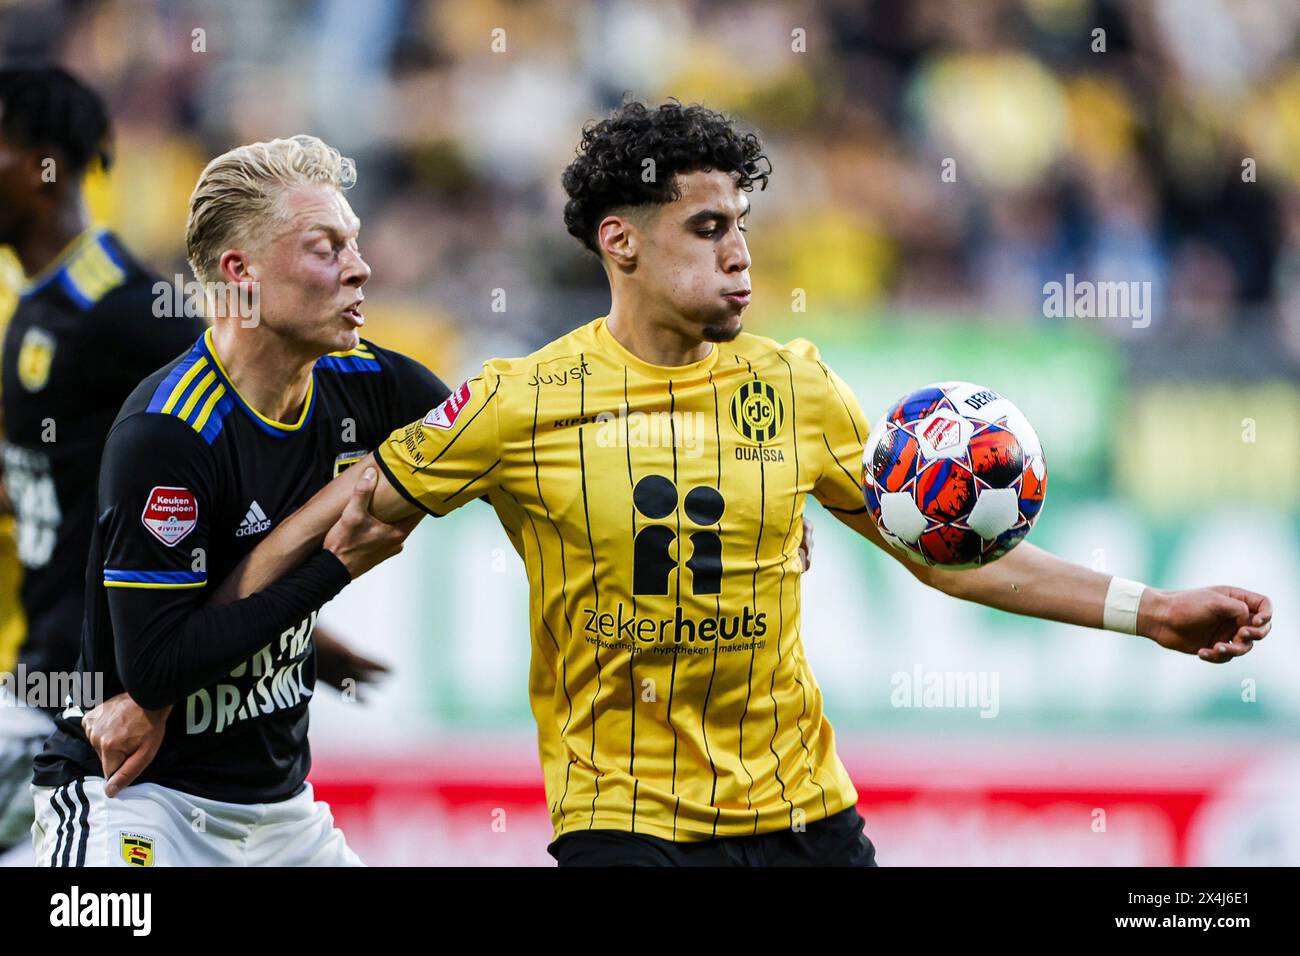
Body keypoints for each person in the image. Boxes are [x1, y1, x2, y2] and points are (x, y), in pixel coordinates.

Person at [95, 101, 1274, 867]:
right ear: (621, 241)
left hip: (804, 809)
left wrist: (1149, 609)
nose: (739, 252)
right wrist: (170, 662)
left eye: (744, 224)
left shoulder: (797, 387)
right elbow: (344, 523)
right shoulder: (520, 401)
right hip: (626, 823)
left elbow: (944, 551)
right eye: (707, 225)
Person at [29, 133, 443, 866]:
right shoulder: (170, 430)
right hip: (141, 803)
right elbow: (154, 671)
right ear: (240, 272)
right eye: (328, 248)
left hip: (283, 819)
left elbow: (495, 423)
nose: (361, 267)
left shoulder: (365, 379)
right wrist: (332, 568)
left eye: (355, 243)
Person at [0, 65, 210, 864]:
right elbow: (45, 472)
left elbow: (237, 432)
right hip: (36, 676)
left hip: (85, 688)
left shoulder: (122, 305)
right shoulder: (37, 305)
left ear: (42, 162)